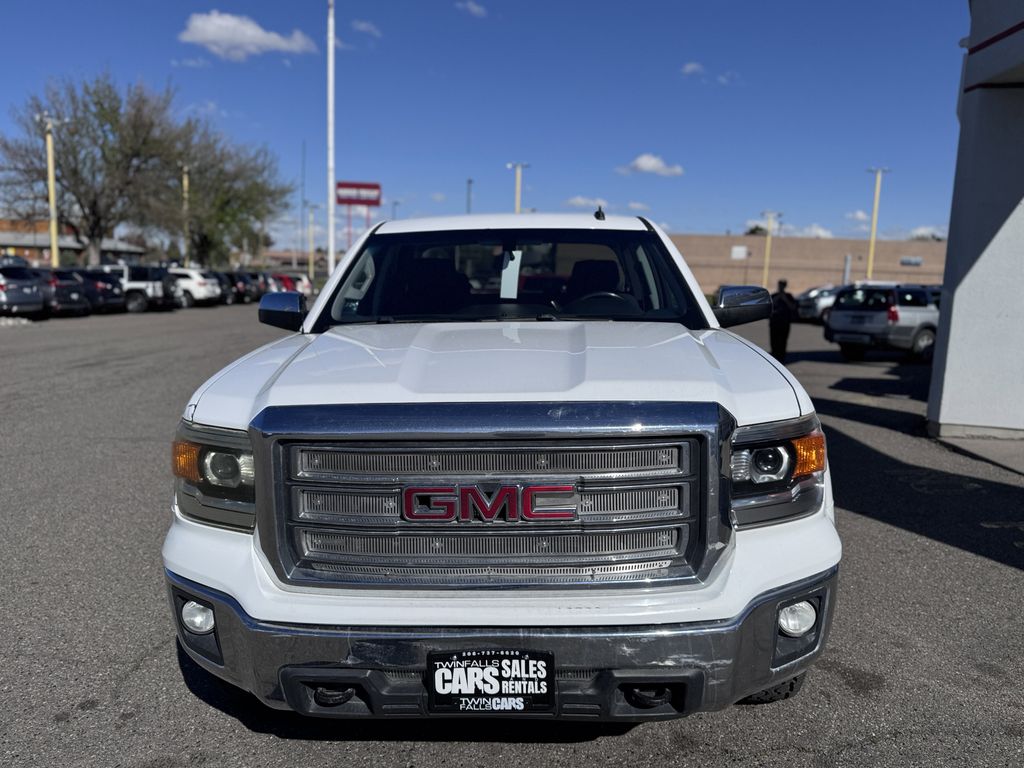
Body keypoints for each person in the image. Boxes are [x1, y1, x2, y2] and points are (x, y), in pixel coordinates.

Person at [769, 279, 797, 363]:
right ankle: (774, 358)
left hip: (784, 323)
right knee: (774, 342)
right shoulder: (774, 295)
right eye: (779, 285)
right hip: (774, 323)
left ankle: (781, 359)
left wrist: (785, 299)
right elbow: (770, 306)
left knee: (783, 342)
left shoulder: (789, 296)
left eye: (782, 285)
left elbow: (793, 307)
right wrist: (778, 297)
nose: (780, 287)